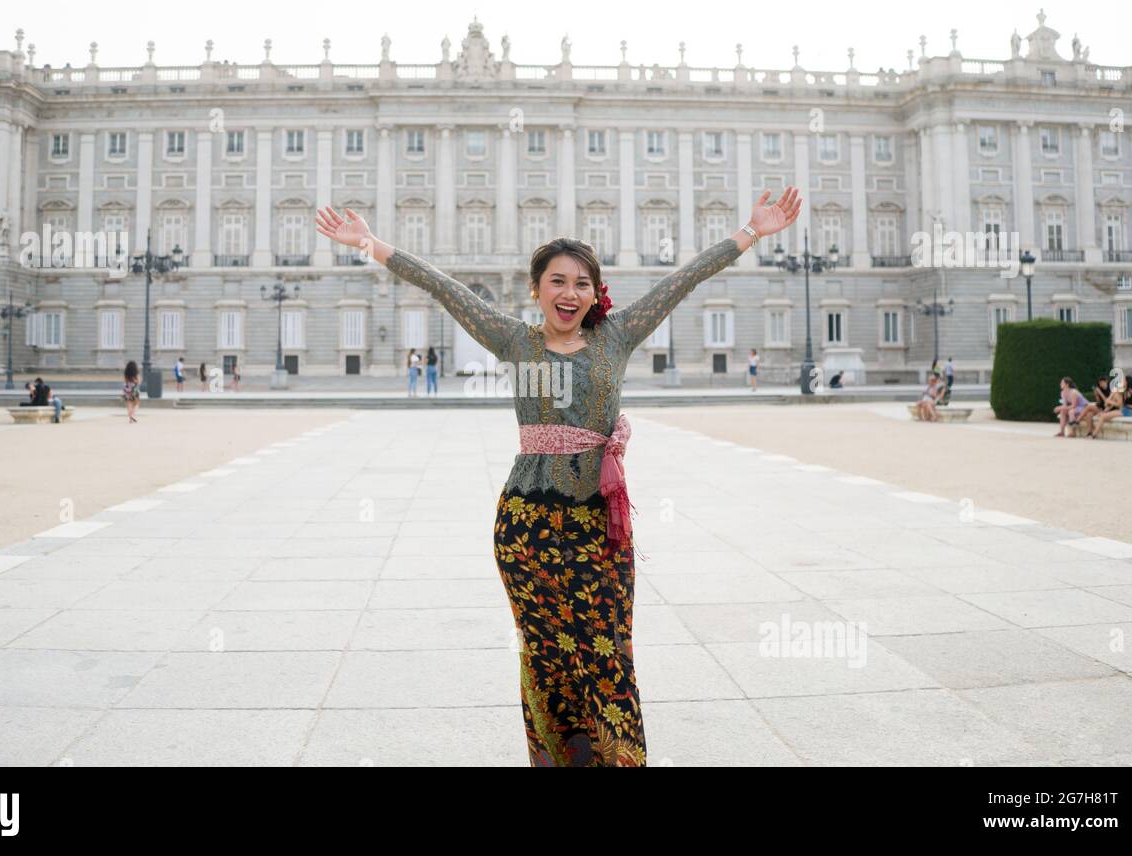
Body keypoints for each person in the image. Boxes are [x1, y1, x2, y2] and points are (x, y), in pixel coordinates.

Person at [316, 186, 802, 767]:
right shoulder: (514, 340)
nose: (570, 293)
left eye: (581, 283)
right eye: (557, 281)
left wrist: (751, 233)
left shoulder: (616, 337)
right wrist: (370, 245)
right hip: (527, 526)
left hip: (596, 522)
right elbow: (444, 287)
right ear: (537, 288)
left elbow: (683, 279)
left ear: (596, 292)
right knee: (546, 656)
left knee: (607, 653)